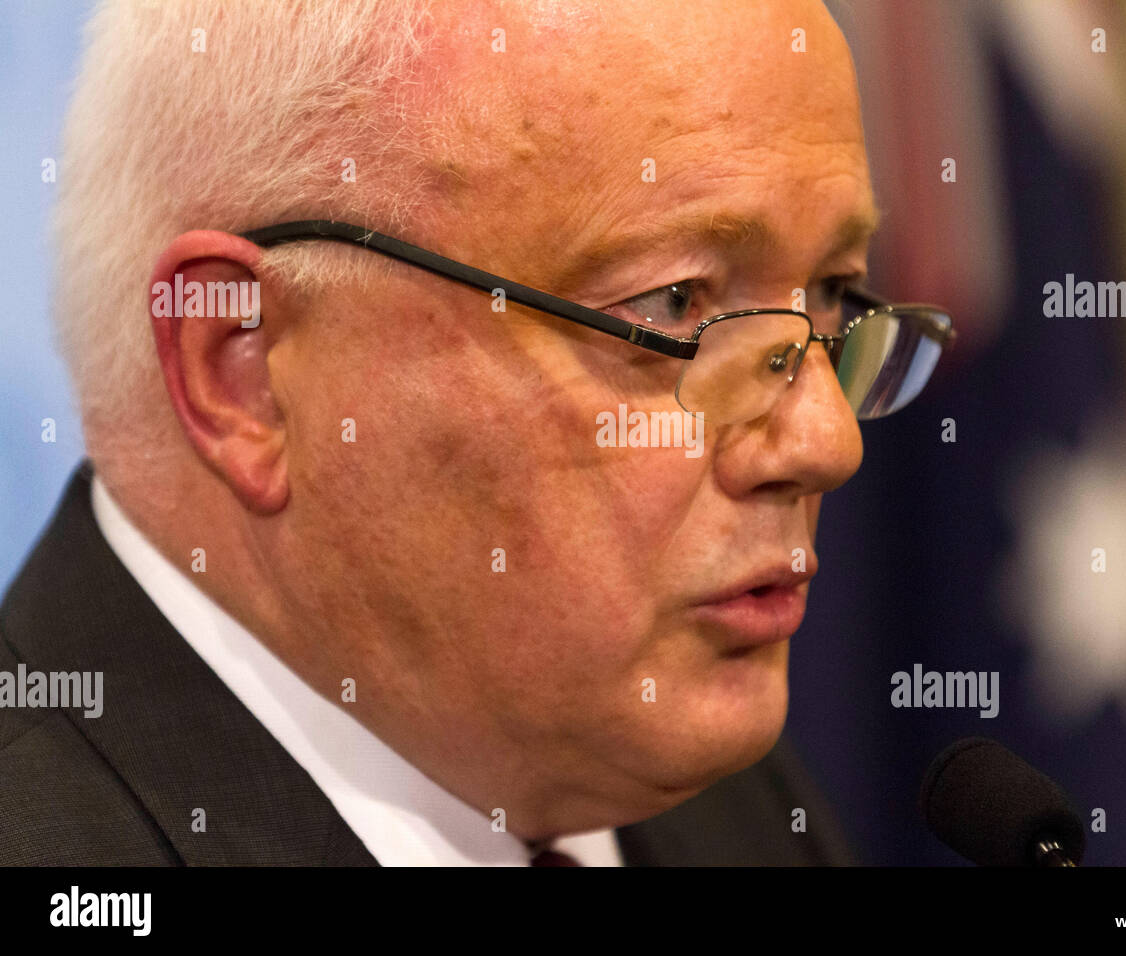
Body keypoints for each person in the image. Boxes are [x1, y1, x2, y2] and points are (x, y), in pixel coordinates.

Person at [0, 0, 951, 865]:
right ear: (241, 374)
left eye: (830, 295)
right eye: (672, 306)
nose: (827, 441)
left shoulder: (736, 813)